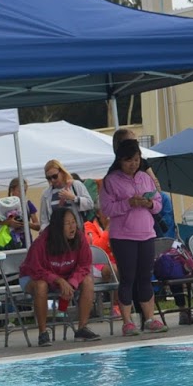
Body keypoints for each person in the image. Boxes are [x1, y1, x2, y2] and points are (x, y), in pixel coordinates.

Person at [98, 138, 167, 336]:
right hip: (123, 235)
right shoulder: (111, 181)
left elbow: (158, 202)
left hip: (146, 233)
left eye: (137, 160)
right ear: (120, 160)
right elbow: (107, 208)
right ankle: (127, 321)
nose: (133, 164)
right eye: (129, 160)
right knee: (128, 277)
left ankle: (150, 317)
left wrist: (150, 204)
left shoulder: (145, 178)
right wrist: (129, 203)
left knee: (145, 276)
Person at [20, 207, 99, 344]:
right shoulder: (41, 242)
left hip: (66, 276)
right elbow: (36, 269)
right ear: (57, 226)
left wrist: (72, 282)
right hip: (33, 277)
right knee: (41, 285)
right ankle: (43, 333)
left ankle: (82, 329)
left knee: (87, 281)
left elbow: (85, 265)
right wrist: (58, 280)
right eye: (67, 223)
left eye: (73, 222)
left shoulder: (80, 238)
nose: (72, 226)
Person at [40, 159, 95, 232]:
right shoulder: (46, 194)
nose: (52, 180)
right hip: (57, 235)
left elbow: (90, 204)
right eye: (49, 178)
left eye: (55, 176)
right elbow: (44, 220)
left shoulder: (76, 185)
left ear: (62, 172)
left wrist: (73, 198)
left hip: (76, 233)